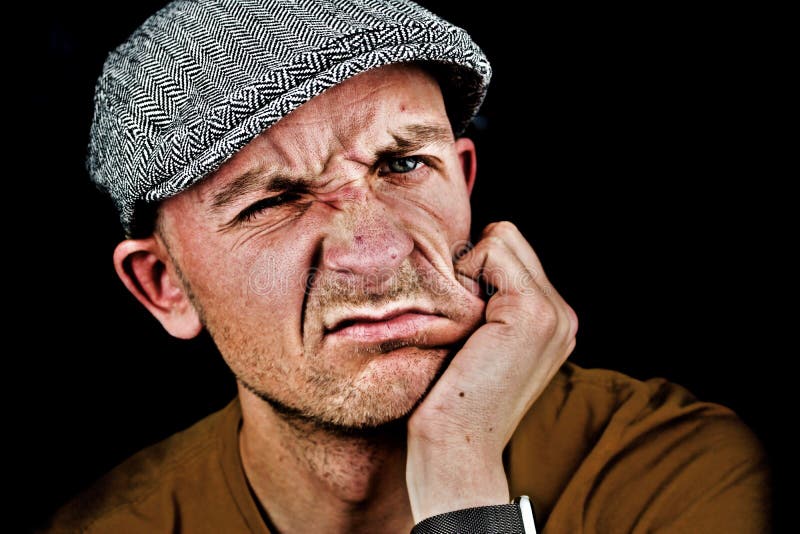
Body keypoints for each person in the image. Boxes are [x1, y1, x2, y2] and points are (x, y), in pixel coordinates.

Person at [45, 0, 770, 532]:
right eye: (274, 201)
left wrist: (458, 464)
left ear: (464, 180)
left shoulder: (677, 475)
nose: (380, 252)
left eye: (403, 164)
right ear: (164, 286)